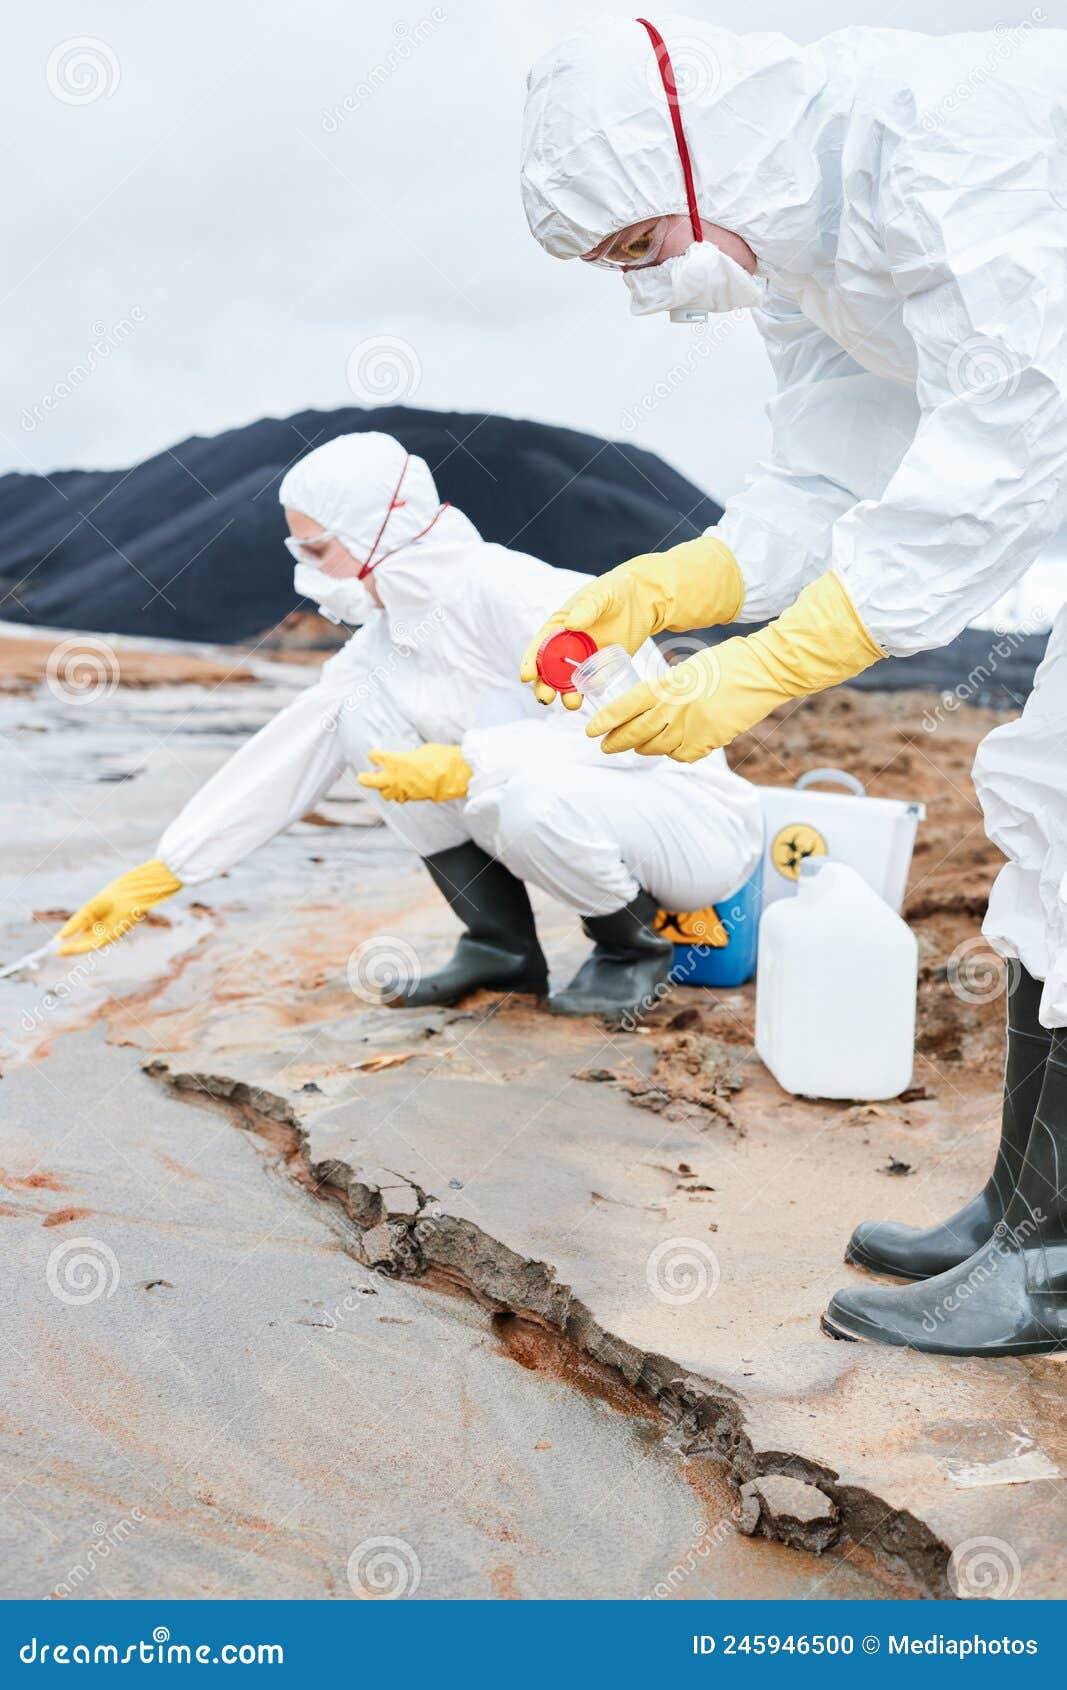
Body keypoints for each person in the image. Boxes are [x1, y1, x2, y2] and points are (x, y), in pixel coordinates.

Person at [519, 17, 1067, 1354]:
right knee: (1047, 802)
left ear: (691, 155)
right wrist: (683, 581)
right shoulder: (806, 247)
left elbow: (1008, 429)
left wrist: (761, 671)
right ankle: (1020, 1207)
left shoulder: (948, 125)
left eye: (638, 247)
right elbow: (831, 476)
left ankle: (1049, 1258)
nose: (647, 289)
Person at [56, 431, 762, 1021]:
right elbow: (286, 755)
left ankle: (631, 950)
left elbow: (636, 736)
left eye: (316, 549)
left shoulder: (523, 594)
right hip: (572, 823)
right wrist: (163, 872)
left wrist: (471, 764)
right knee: (353, 716)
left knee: (527, 798)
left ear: (376, 532)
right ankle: (501, 948)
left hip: (686, 832)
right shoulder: (386, 641)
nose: (304, 570)